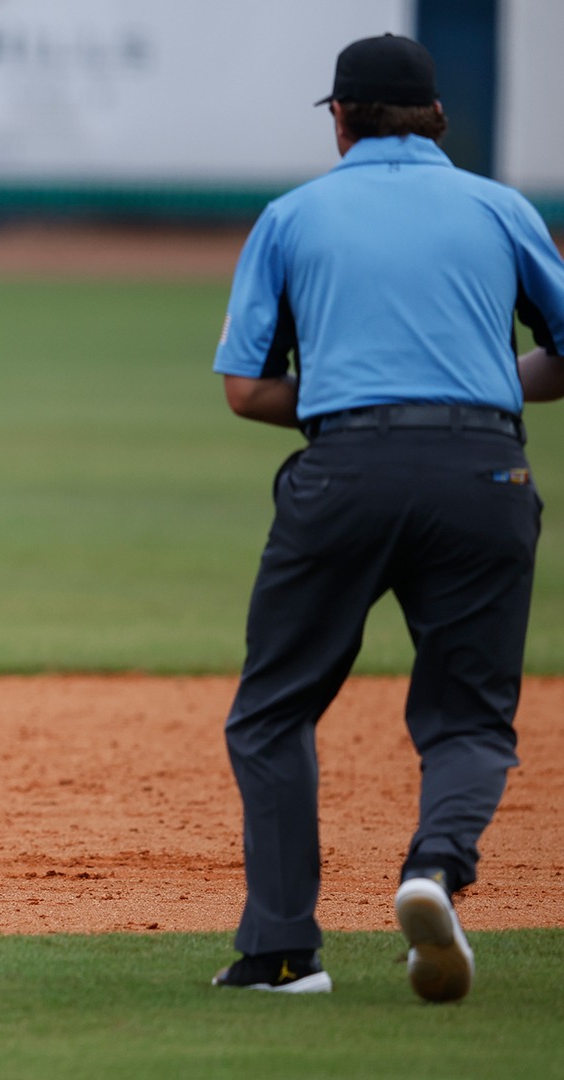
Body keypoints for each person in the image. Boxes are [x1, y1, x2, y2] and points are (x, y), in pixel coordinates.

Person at [208, 34, 564, 1000]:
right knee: (471, 718)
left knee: (276, 711)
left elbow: (244, 389)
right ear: (439, 118)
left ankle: (282, 955)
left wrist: (343, 401)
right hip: (486, 476)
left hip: (347, 473)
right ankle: (435, 870)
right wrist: (484, 388)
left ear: (341, 119)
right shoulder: (502, 208)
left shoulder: (294, 215)